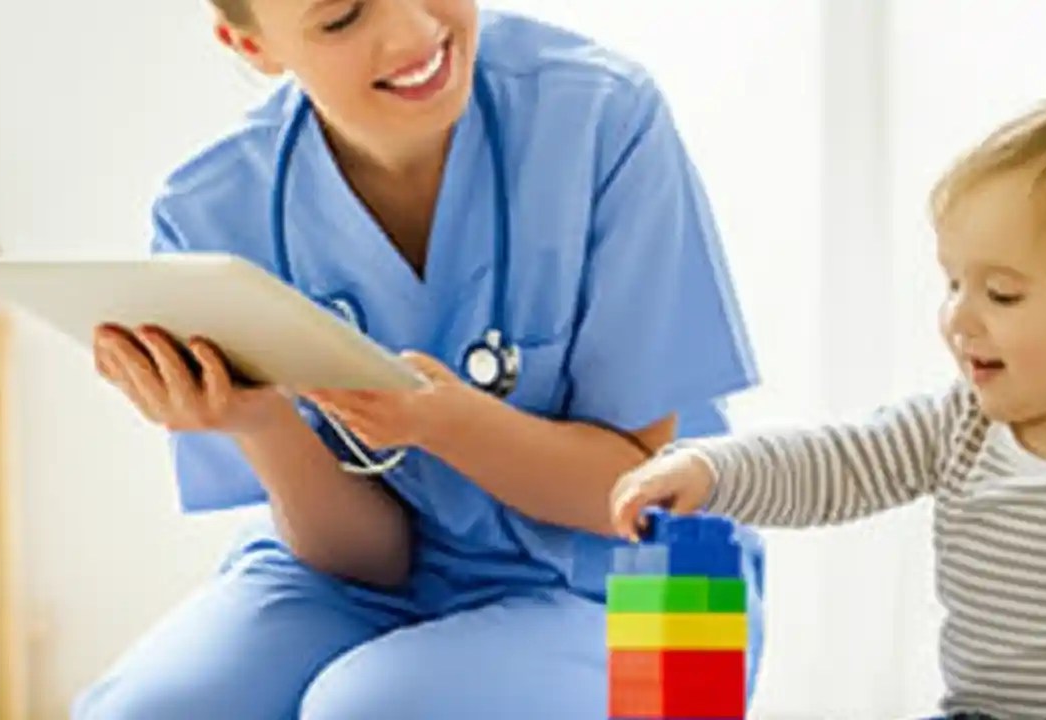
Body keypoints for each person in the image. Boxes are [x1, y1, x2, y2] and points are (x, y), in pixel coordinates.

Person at [72, 2, 767, 718]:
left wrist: (446, 424)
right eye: (341, 17)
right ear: (250, 45)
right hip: (381, 585)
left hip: (669, 585)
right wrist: (261, 422)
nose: (411, 31)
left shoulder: (602, 117)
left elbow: (640, 489)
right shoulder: (214, 212)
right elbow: (366, 561)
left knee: (374, 709)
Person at [612, 80, 1046, 719]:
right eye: (954, 283)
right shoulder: (961, 426)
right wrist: (712, 471)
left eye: (1003, 294)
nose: (960, 318)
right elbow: (835, 464)